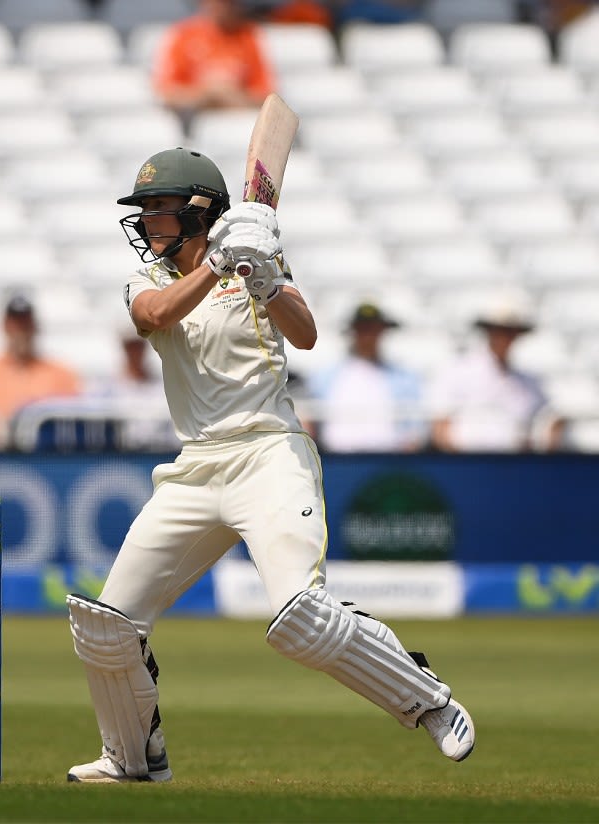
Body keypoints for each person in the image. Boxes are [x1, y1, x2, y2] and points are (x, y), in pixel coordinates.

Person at [62, 147, 474, 784]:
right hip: (196, 468)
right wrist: (220, 264)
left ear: (199, 212)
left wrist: (267, 280)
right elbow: (156, 316)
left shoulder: (256, 257)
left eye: (158, 211)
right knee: (105, 628)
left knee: (298, 620)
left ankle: (428, 700)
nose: (145, 223)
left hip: (269, 455)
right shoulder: (147, 282)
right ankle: (133, 759)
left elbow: (306, 334)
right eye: (142, 212)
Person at [428, 293, 561, 453]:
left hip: (515, 467)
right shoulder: (457, 371)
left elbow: (550, 419)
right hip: (468, 464)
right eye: (499, 330)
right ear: (488, 331)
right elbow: (441, 427)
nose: (504, 337)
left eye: (510, 331)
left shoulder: (529, 381)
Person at [0, 294, 83, 450]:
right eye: (16, 324)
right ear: (4, 327)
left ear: (35, 327)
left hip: (48, 459)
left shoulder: (61, 374)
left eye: (26, 324)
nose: (21, 332)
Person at [309, 301, 426, 453]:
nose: (369, 336)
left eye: (373, 330)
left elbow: (415, 428)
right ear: (353, 332)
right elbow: (311, 420)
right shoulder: (325, 377)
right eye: (363, 330)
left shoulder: (404, 377)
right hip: (337, 460)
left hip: (391, 460)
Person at [153, 0, 274, 126]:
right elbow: (166, 93)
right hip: (194, 122)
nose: (225, 6)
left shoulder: (248, 36)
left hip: (237, 120)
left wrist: (230, 95)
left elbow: (264, 96)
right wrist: (207, 94)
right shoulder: (184, 35)